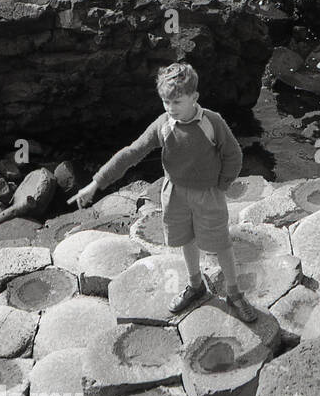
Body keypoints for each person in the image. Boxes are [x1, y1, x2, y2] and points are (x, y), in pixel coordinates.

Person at [68, 61, 258, 322]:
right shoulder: (164, 125)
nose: (171, 109)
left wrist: (221, 185)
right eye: (166, 103)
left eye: (177, 103)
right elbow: (132, 153)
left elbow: (233, 154)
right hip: (175, 196)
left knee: (220, 244)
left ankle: (234, 293)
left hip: (208, 195)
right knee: (185, 240)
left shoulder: (212, 122)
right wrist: (96, 183)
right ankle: (195, 285)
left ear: (194, 97)